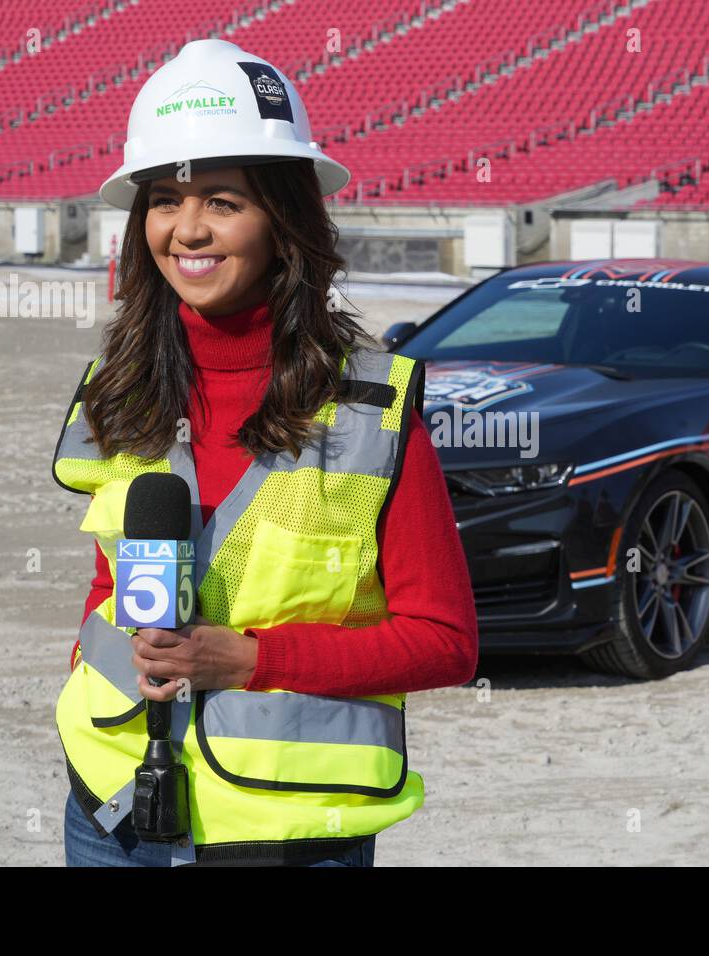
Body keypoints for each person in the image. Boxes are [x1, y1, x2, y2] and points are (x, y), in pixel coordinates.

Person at [52, 38, 478, 867]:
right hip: (107, 812)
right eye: (165, 200)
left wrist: (250, 660)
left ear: (284, 221)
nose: (188, 229)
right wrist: (92, 669)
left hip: (282, 839)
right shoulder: (120, 388)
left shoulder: (371, 413)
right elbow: (112, 582)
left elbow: (446, 642)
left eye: (221, 200)